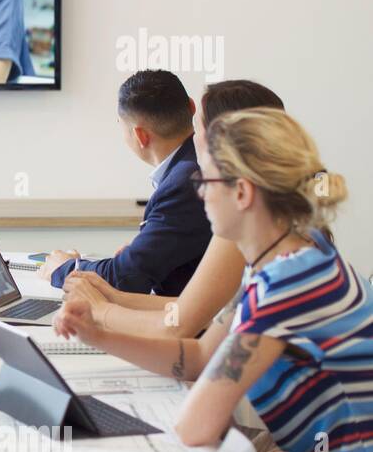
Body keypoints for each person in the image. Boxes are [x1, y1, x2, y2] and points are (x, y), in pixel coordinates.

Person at [55, 109, 373, 452]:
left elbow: (195, 426)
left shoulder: (286, 283)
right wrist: (98, 333)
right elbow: (201, 358)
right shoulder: (294, 251)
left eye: (205, 180)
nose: (198, 192)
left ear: (242, 193)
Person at [61, 80, 285, 338]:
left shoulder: (246, 229)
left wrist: (102, 311)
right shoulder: (276, 225)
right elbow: (193, 312)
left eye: (197, 125)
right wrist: (111, 298)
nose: (192, 136)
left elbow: (182, 327)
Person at [39, 69, 211, 295]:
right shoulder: (190, 166)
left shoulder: (184, 182)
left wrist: (66, 269)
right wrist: (141, 250)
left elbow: (126, 278)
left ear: (141, 136)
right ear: (191, 106)